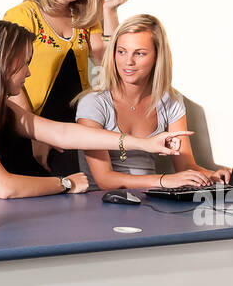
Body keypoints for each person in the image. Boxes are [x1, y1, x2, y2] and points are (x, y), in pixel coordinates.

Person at [0, 21, 187, 201]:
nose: (29, 73)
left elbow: (61, 134)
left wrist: (145, 144)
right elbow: (3, 186)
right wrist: (66, 183)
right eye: (25, 64)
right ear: (6, 64)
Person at [4, 0, 132, 173]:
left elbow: (110, 62)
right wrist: (36, 134)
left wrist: (109, 11)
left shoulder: (83, 18)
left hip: (70, 131)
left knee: (73, 196)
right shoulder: (22, 15)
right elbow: (7, 77)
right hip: (29, 128)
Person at [76, 15, 230, 190]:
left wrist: (211, 175)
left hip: (150, 199)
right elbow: (105, 180)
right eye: (122, 51)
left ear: (157, 56)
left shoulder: (170, 101)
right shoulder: (93, 103)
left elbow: (185, 166)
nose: (128, 62)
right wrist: (165, 180)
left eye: (139, 53)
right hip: (99, 203)